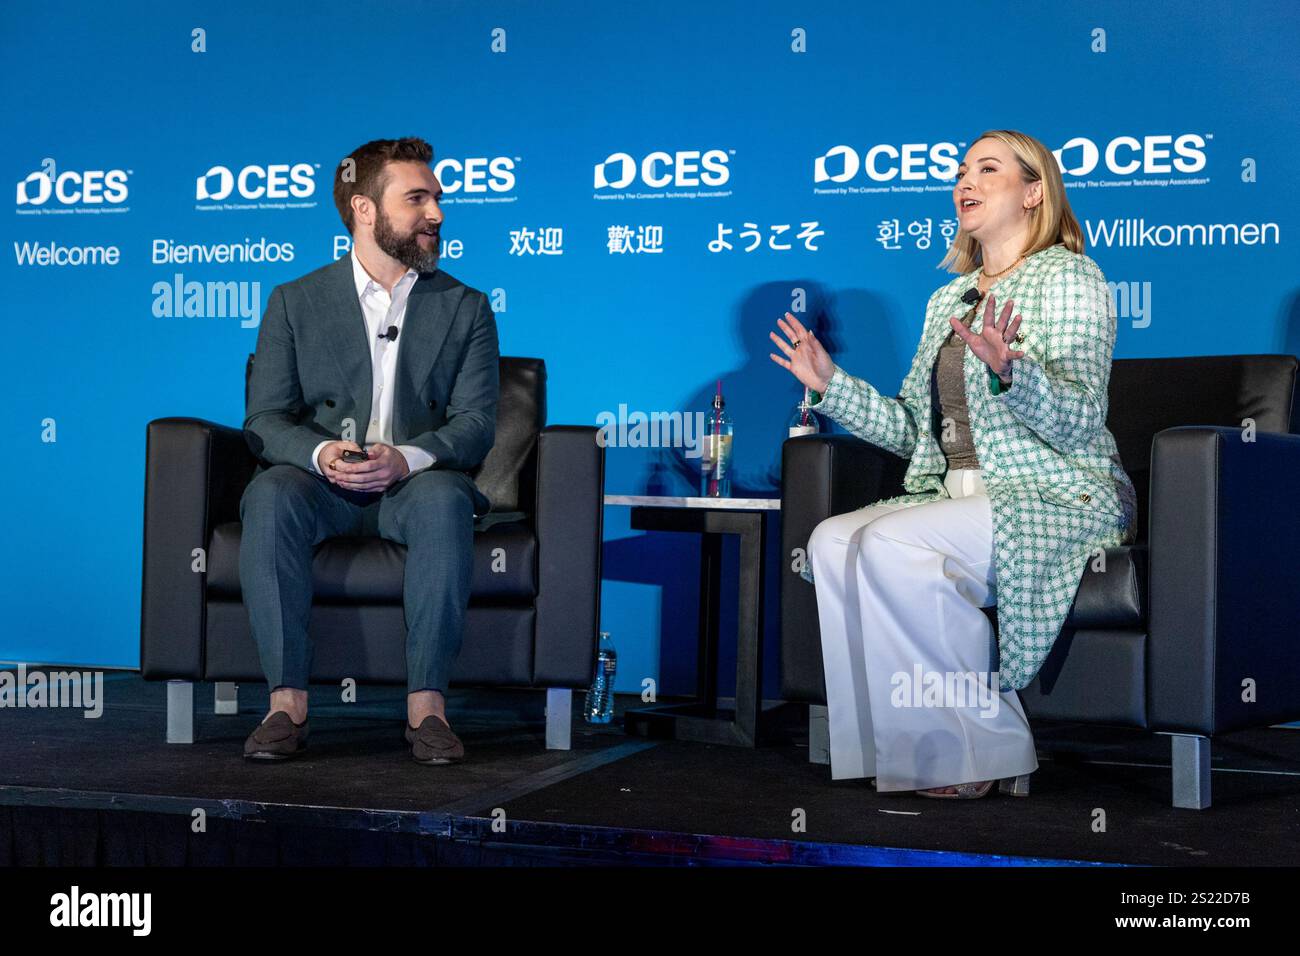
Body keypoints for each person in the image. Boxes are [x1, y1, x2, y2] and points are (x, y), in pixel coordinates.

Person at [768, 129, 1137, 799]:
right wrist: (832, 386)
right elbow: (914, 431)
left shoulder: (1070, 276)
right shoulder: (950, 299)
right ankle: (899, 748)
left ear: (1033, 192)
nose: (965, 181)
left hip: (1054, 496)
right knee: (832, 540)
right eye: (962, 170)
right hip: (957, 495)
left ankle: (983, 750)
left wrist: (1011, 374)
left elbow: (1081, 416)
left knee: (887, 540)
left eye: (987, 169)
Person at [239, 136, 499, 764]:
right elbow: (265, 419)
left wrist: (405, 458)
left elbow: (476, 424)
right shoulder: (294, 302)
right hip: (322, 487)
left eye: (436, 198)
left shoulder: (466, 307)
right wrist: (324, 451)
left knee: (442, 500)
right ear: (363, 208)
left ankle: (427, 711)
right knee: (270, 492)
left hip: (414, 488)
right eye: (418, 198)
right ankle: (286, 706)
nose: (436, 212)